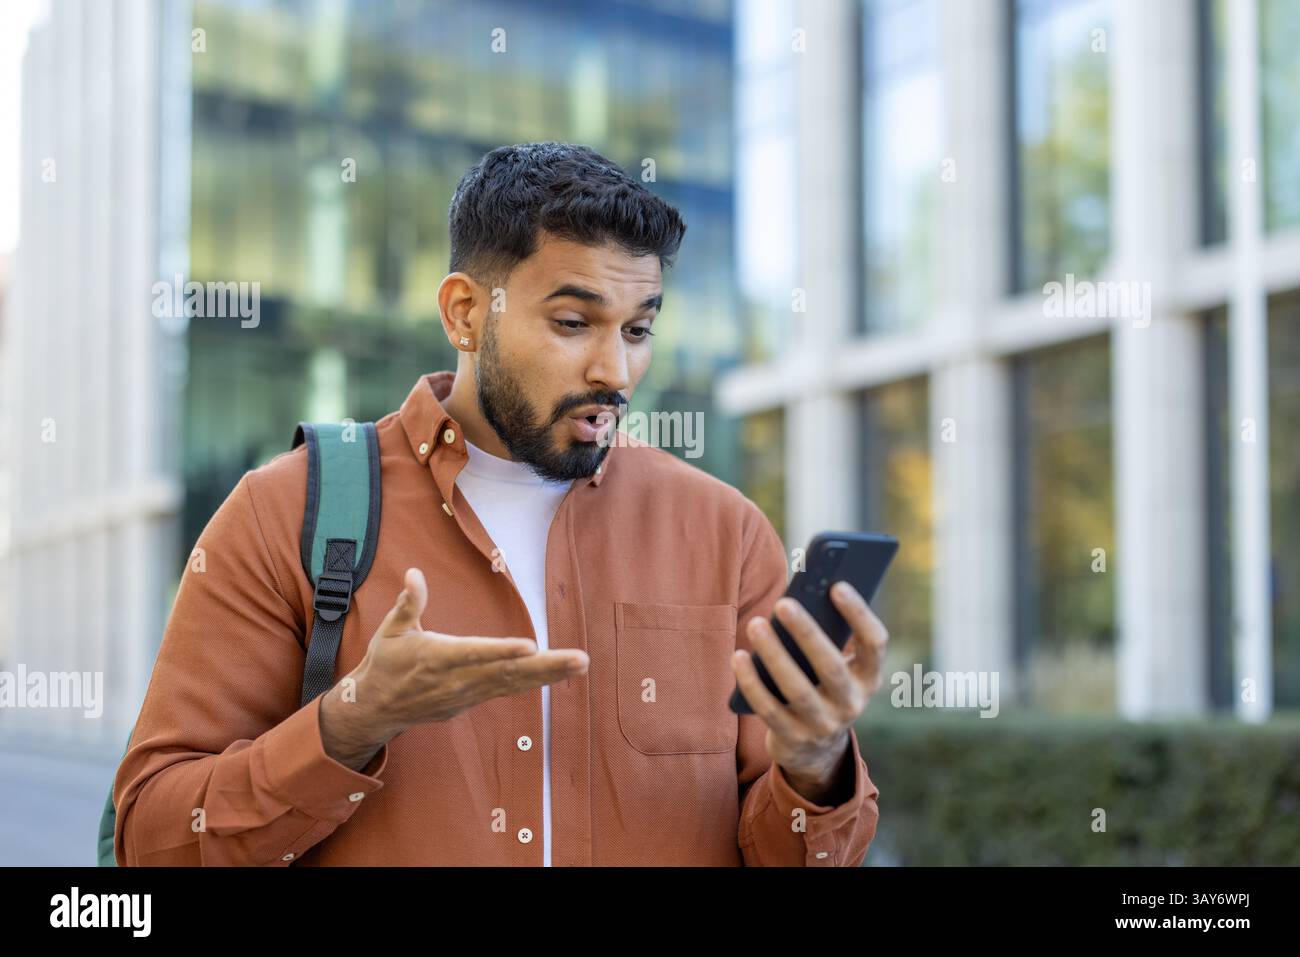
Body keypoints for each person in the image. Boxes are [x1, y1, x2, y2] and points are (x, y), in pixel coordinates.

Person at [113, 142, 887, 866]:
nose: (616, 369)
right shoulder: (284, 510)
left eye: (640, 328)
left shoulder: (726, 533)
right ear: (465, 314)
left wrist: (815, 766)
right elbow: (154, 834)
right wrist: (349, 723)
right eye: (573, 322)